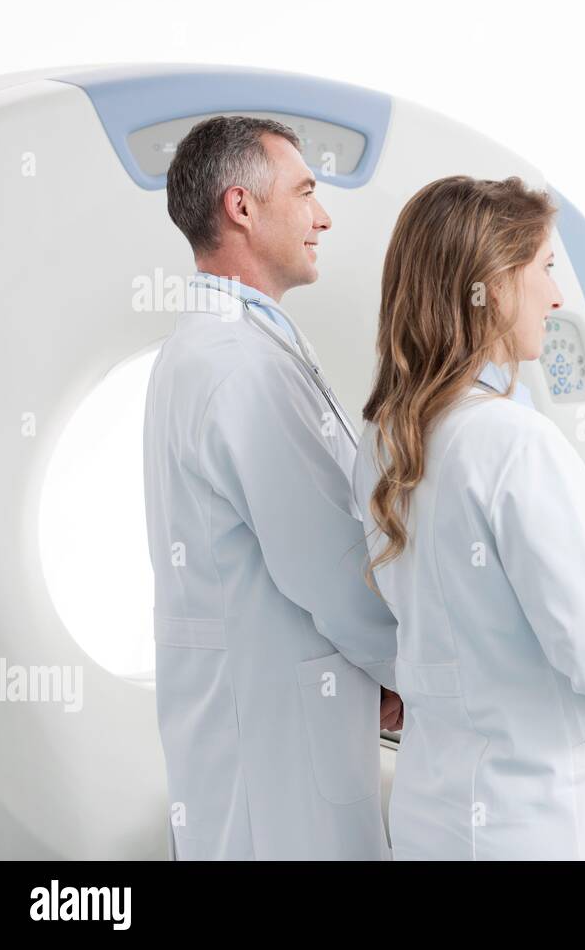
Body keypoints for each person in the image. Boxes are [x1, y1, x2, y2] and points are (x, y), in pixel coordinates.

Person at [353, 175, 585, 860]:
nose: (556, 296)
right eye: (546, 269)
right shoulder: (519, 442)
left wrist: (577, 509)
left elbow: (456, 582)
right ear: (494, 284)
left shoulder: (386, 437)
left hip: (432, 812)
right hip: (539, 822)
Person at [143, 116, 401, 860]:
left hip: (251, 720)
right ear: (242, 207)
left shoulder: (215, 348)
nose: (322, 216)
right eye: (306, 192)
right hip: (275, 745)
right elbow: (327, 567)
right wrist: (410, 670)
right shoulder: (237, 364)